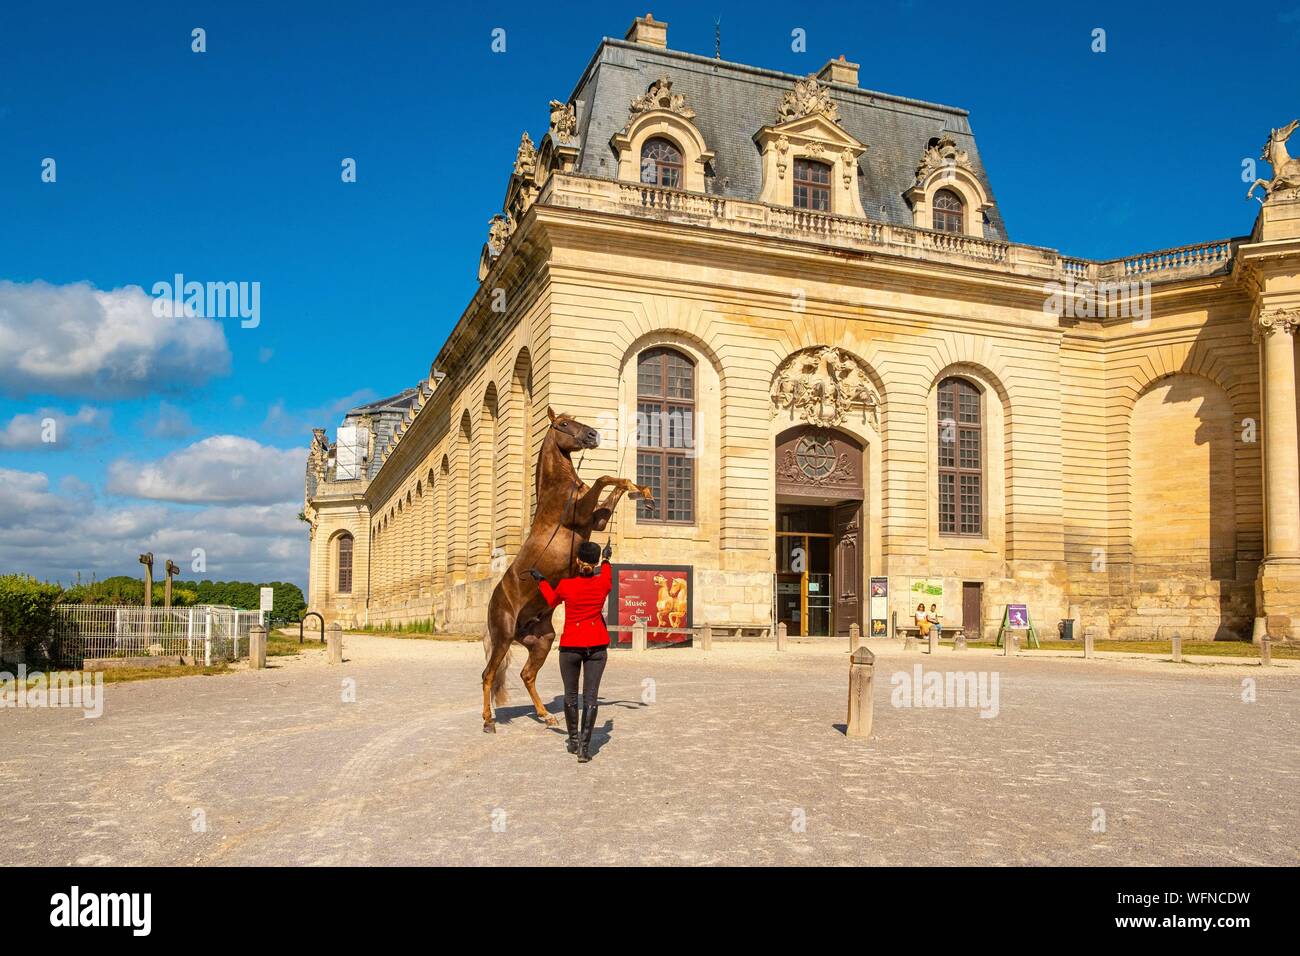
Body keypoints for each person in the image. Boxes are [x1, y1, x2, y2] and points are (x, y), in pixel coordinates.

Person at [528, 540, 613, 762]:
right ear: (595, 563)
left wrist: (541, 580)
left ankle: (573, 740)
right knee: (591, 697)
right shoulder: (604, 582)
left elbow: (551, 599)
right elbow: (606, 571)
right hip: (597, 645)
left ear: (577, 561)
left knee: (571, 695)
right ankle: (584, 749)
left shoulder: (566, 585)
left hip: (571, 646)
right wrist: (606, 558)